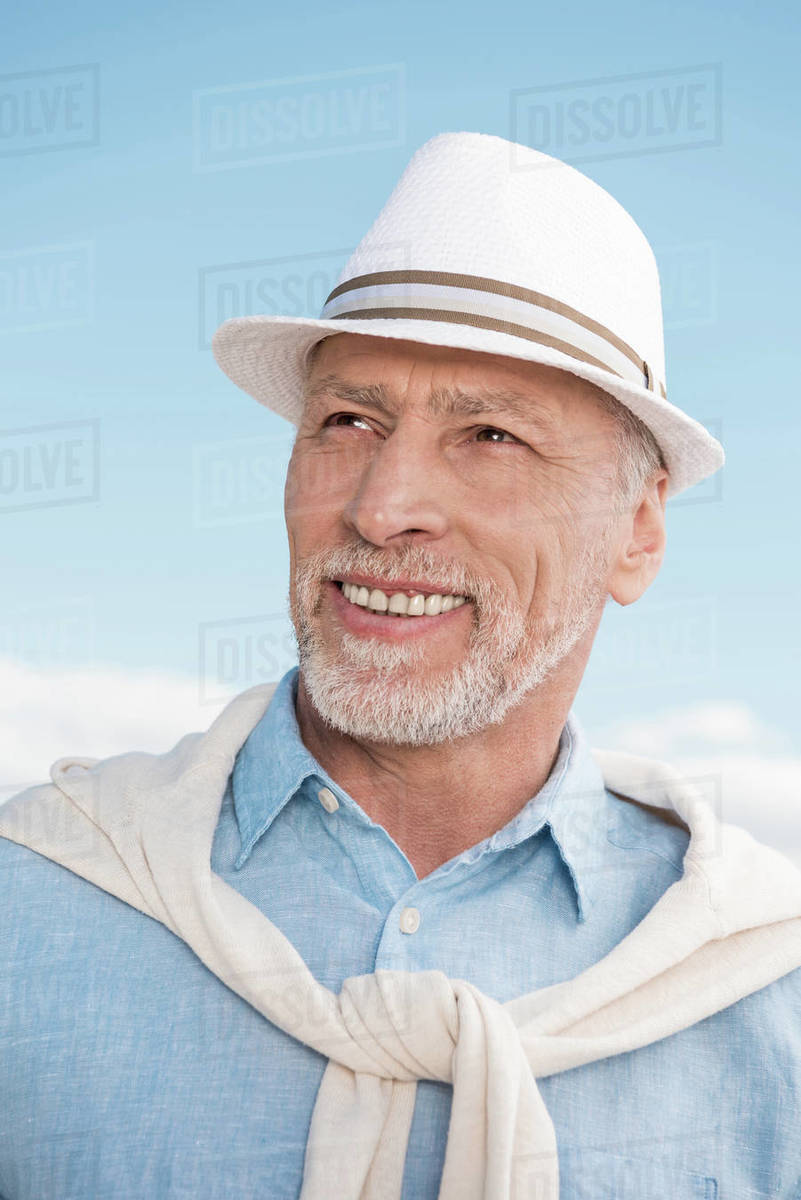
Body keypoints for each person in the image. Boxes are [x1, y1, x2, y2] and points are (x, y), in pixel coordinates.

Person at [2, 132, 800, 1200]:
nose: (381, 509)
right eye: (347, 421)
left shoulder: (763, 987)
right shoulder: (34, 901)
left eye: (491, 436)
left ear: (639, 532)